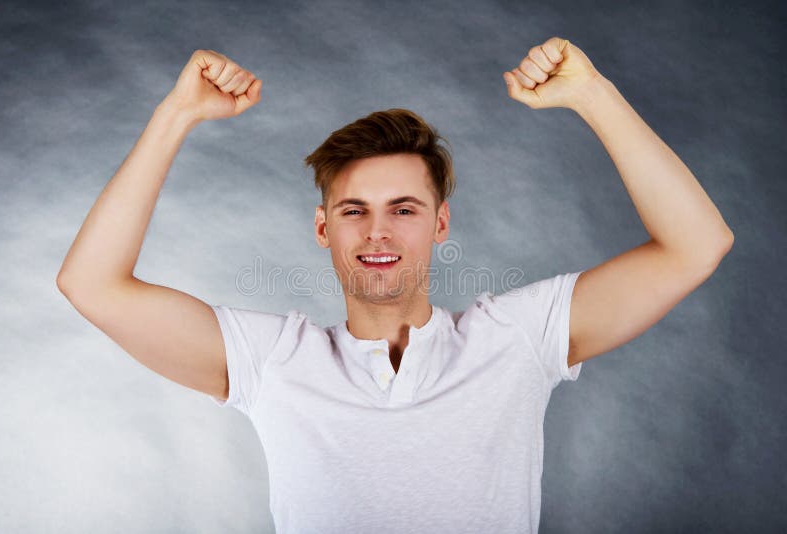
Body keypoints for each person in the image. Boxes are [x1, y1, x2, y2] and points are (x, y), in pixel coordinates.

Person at [57, 37, 734, 534]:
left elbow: (698, 245)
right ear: (324, 230)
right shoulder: (272, 362)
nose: (378, 233)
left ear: (441, 224)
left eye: (403, 210)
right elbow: (91, 283)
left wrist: (592, 93)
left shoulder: (517, 338)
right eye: (355, 211)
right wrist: (176, 114)